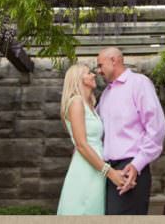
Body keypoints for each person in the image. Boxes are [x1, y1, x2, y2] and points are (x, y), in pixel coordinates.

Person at [95, 46, 165, 215]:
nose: (98, 71)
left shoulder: (139, 83)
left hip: (131, 169)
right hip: (109, 172)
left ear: (114, 60)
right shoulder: (105, 94)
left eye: (100, 65)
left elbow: (157, 128)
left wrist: (136, 164)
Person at [56, 63, 132, 215]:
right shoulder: (76, 102)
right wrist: (109, 172)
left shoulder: (90, 106)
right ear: (79, 79)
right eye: (88, 73)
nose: (93, 74)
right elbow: (81, 145)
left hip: (95, 168)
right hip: (86, 169)